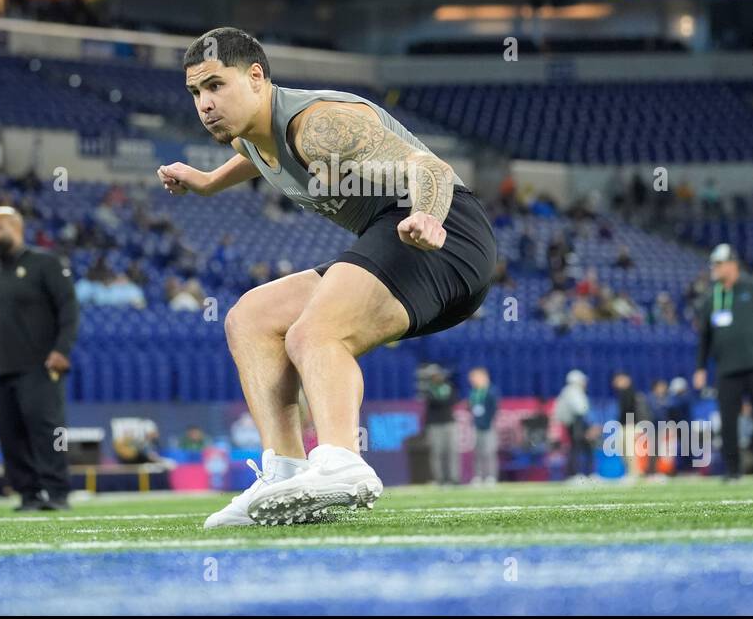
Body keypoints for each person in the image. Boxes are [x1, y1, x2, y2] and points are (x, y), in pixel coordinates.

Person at [157, 27, 496, 525]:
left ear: (256, 77)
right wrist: (207, 183)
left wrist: (425, 215)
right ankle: (285, 474)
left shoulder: (320, 127)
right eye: (195, 93)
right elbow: (258, 159)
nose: (204, 104)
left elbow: (431, 167)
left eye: (214, 86)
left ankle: (340, 460)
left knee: (314, 332)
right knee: (251, 318)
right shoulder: (256, 137)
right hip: (392, 236)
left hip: (440, 233)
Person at [0, 207, 79, 511]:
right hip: (0, 370)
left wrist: (61, 350)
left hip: (40, 366)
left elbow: (69, 310)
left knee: (46, 431)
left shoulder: (46, 263)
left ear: (16, 228)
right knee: (10, 437)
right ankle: (28, 494)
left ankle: (56, 492)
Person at [693, 244, 753, 481]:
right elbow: (705, 336)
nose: (714, 268)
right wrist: (701, 367)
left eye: (718, 264)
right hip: (727, 367)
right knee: (727, 420)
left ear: (732, 265)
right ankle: (733, 470)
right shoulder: (710, 297)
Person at [420, 364, 459, 486]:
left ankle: (453, 478)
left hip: (449, 422)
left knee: (452, 452)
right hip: (435, 424)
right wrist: (442, 400)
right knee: (437, 453)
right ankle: (439, 479)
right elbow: (434, 402)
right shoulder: (429, 390)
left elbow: (452, 400)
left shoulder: (448, 387)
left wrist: (440, 400)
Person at [552, 369, 592, 477]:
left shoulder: (567, 391)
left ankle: (579, 474)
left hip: (573, 423)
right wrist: (587, 426)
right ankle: (577, 474)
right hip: (576, 423)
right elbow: (581, 409)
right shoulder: (573, 391)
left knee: (578, 447)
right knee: (578, 448)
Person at [467, 366, 499, 485]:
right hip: (476, 425)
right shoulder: (473, 392)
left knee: (489, 452)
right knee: (477, 452)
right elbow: (471, 407)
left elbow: (493, 409)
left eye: (474, 378)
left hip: (488, 425)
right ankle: (478, 476)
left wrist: (488, 421)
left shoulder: (491, 391)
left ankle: (491, 476)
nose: (472, 381)